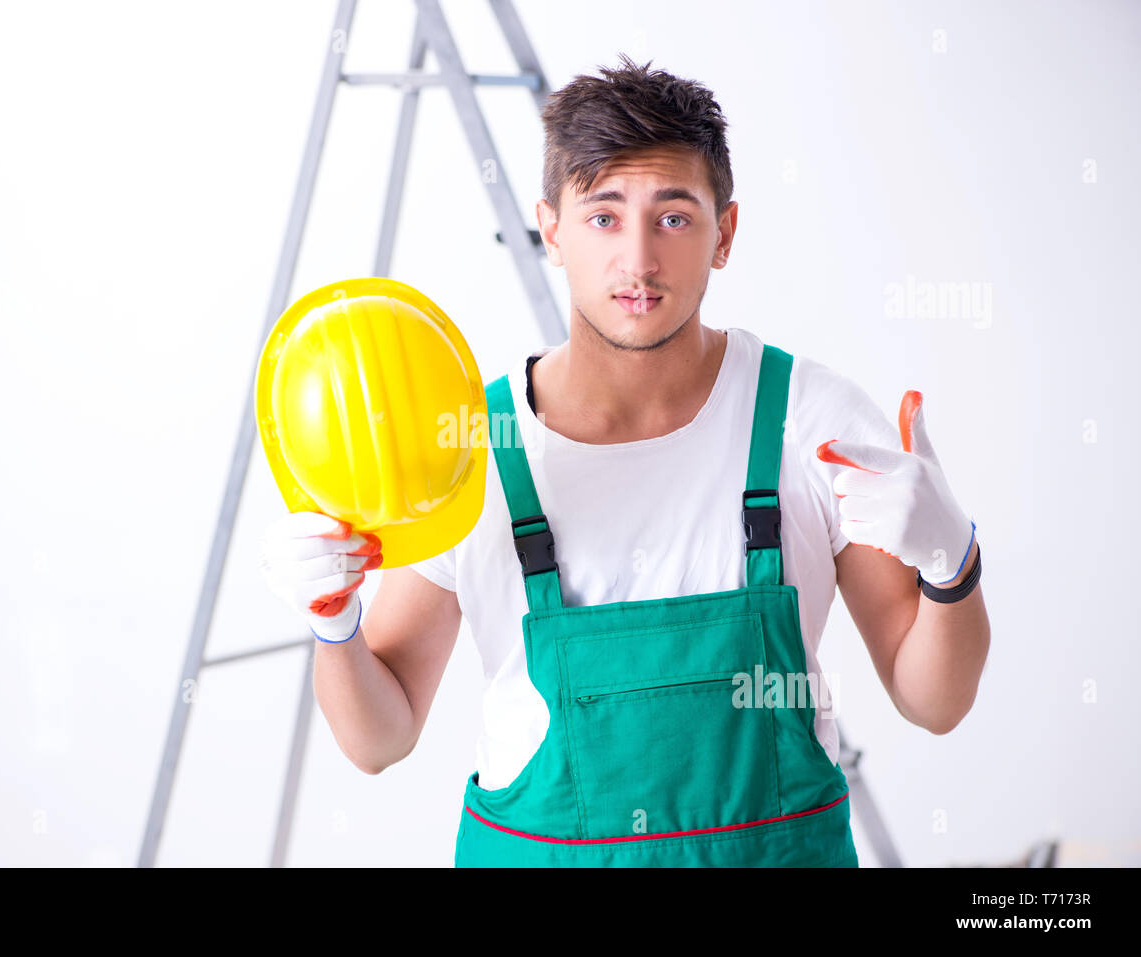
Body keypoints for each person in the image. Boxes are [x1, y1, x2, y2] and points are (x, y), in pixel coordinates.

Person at [260, 54, 990, 867]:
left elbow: (935, 701)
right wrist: (333, 621)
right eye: (603, 216)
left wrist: (949, 563)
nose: (638, 261)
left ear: (726, 232)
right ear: (551, 230)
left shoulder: (811, 423)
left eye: (673, 218)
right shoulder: (477, 443)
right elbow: (379, 738)